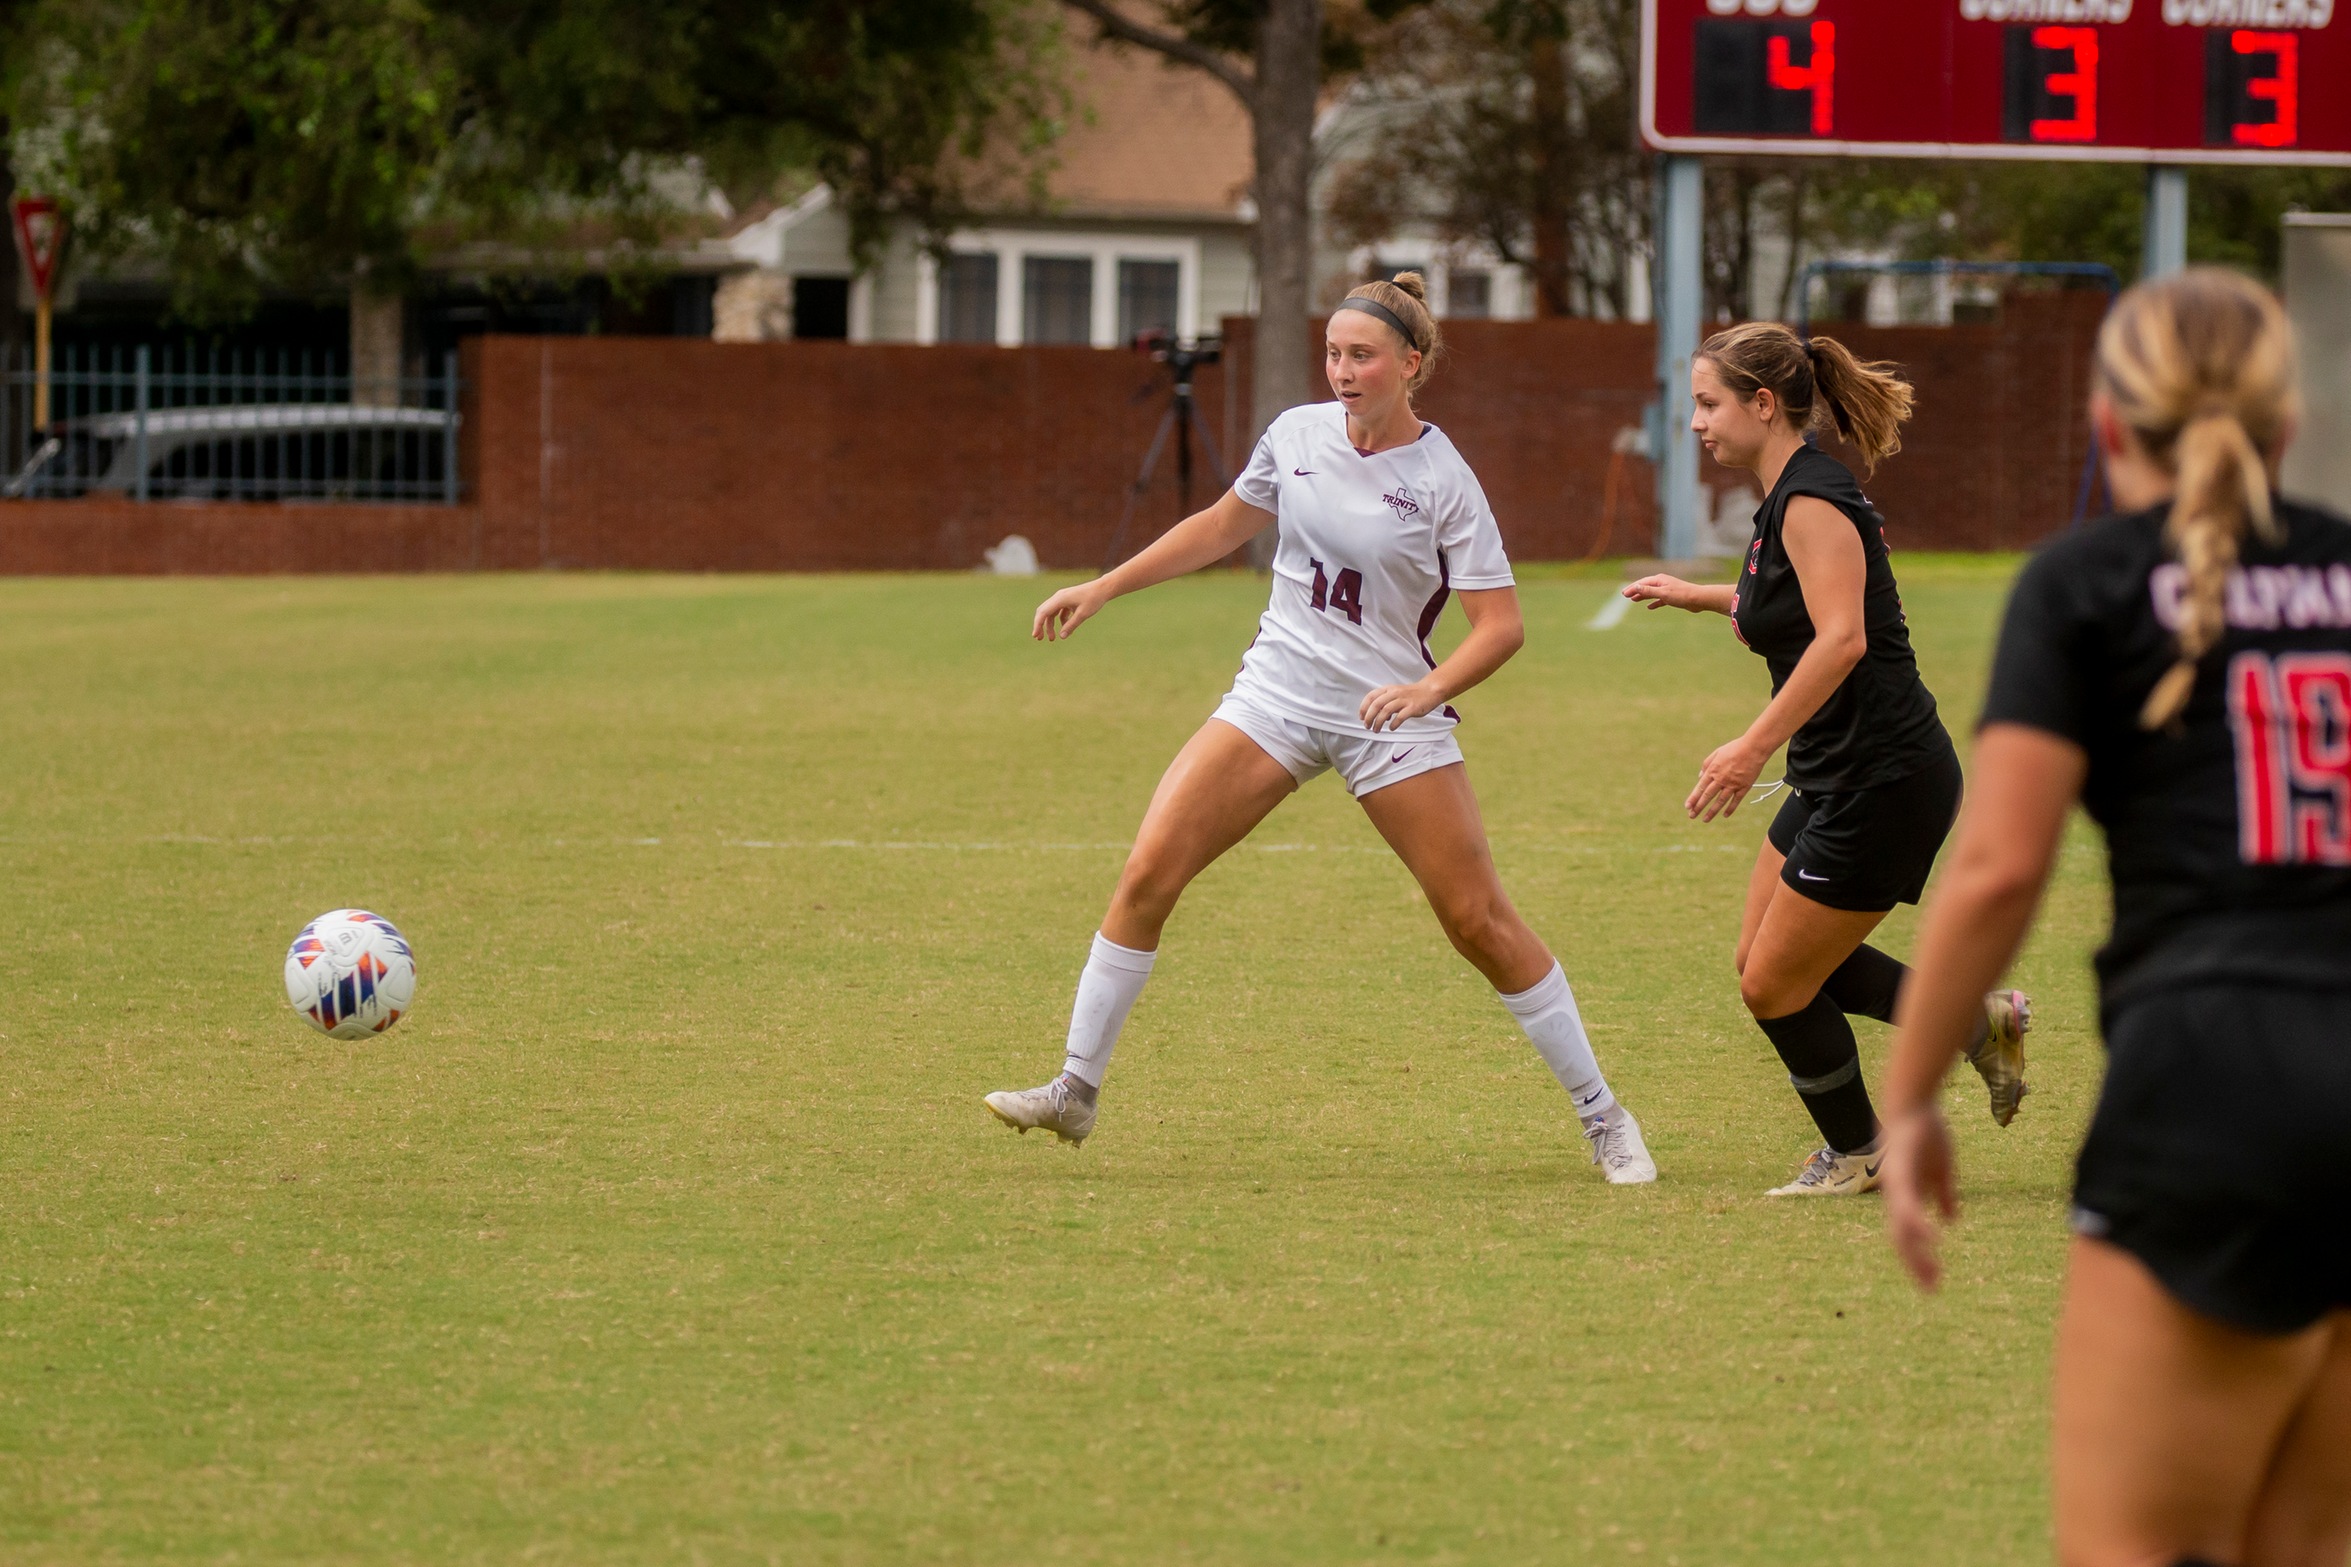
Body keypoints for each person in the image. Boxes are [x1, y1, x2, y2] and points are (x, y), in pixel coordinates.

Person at [983, 272, 1655, 1184]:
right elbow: (1222, 525)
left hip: (1388, 715)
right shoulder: (1293, 434)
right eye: (1333, 353)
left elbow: (1502, 629)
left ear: (1409, 366)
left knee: (1476, 919)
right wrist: (1103, 585)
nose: (1341, 370)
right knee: (1148, 871)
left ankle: (1604, 1116)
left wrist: (1427, 692)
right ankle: (1075, 1088)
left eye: (1361, 355)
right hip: (1276, 696)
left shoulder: (1442, 480)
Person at [1881, 269, 2351, 1566]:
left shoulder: (2081, 584)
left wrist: (1912, 1090)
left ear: (2105, 425)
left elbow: (1990, 868)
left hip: (2208, 1084)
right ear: (2284, 424)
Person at [1623, 322, 2028, 1196]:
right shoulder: (1784, 499)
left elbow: (1839, 638)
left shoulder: (1810, 499)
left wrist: (1747, 746)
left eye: (1706, 403)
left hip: (1884, 781)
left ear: (1761, 404)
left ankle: (1861, 1151)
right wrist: (1697, 596)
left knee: (1773, 985)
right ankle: (1974, 1021)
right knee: (1764, 961)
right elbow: (1792, 605)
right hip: (1836, 773)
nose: (1694, 421)